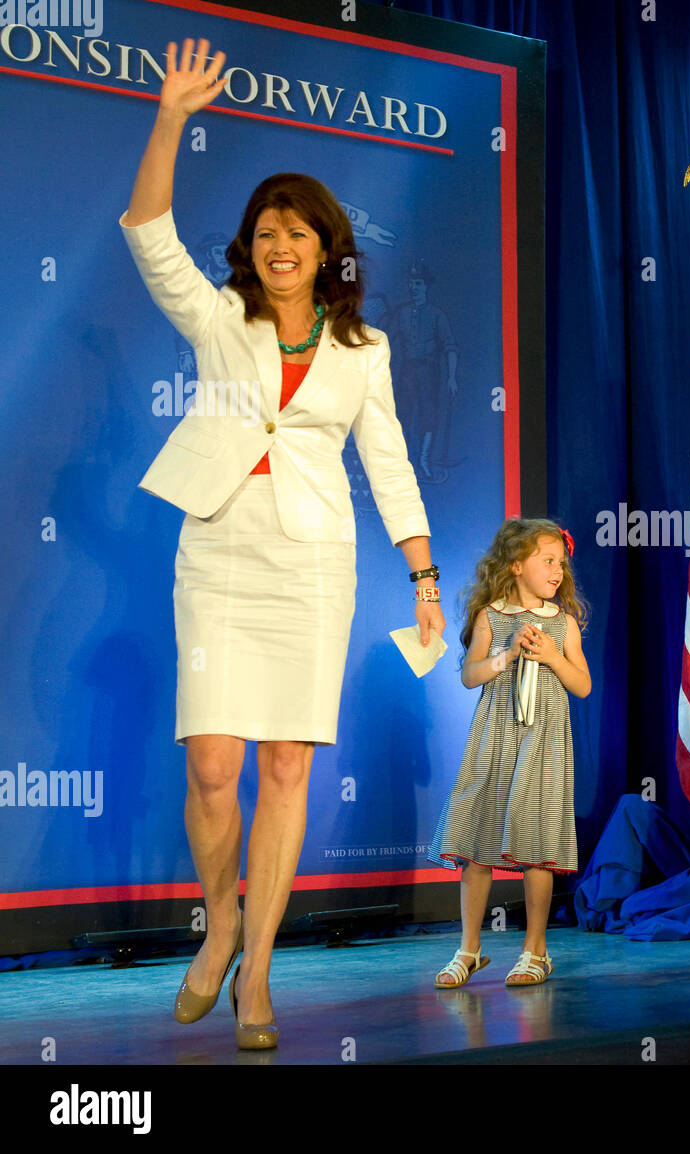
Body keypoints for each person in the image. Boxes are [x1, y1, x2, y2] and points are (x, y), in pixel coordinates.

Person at [121, 40, 445, 1049]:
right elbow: (148, 234)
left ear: (326, 246)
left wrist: (426, 576)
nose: (279, 244)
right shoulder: (221, 321)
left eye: (296, 231)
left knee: (287, 773)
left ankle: (256, 968)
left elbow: (389, 463)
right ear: (252, 248)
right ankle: (217, 926)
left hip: (312, 570)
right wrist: (172, 117)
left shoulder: (365, 349)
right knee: (214, 766)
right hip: (218, 556)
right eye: (265, 231)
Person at [428, 520, 591, 987]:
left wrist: (552, 658)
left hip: (543, 743)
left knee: (537, 847)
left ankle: (534, 951)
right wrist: (507, 656)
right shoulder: (491, 617)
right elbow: (469, 675)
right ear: (516, 565)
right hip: (496, 738)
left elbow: (582, 685)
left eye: (560, 563)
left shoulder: (562, 623)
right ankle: (469, 950)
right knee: (477, 846)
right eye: (547, 560)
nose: (557, 570)